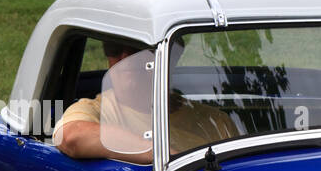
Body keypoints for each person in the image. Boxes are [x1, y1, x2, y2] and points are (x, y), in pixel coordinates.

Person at [53, 39, 239, 162]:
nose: (125, 57)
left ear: (170, 57)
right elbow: (71, 136)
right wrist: (161, 155)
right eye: (114, 48)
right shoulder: (95, 110)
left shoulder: (216, 121)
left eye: (137, 48)